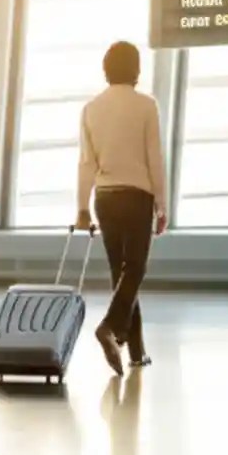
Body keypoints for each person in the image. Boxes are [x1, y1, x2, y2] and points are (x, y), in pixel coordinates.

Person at [75, 41, 168, 376]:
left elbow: (87, 162)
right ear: (136, 70)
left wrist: (82, 208)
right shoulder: (146, 106)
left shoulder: (91, 109)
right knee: (136, 267)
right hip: (137, 195)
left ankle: (136, 352)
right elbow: (153, 157)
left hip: (105, 197)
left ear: (106, 69)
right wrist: (161, 202)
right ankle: (110, 328)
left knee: (123, 274)